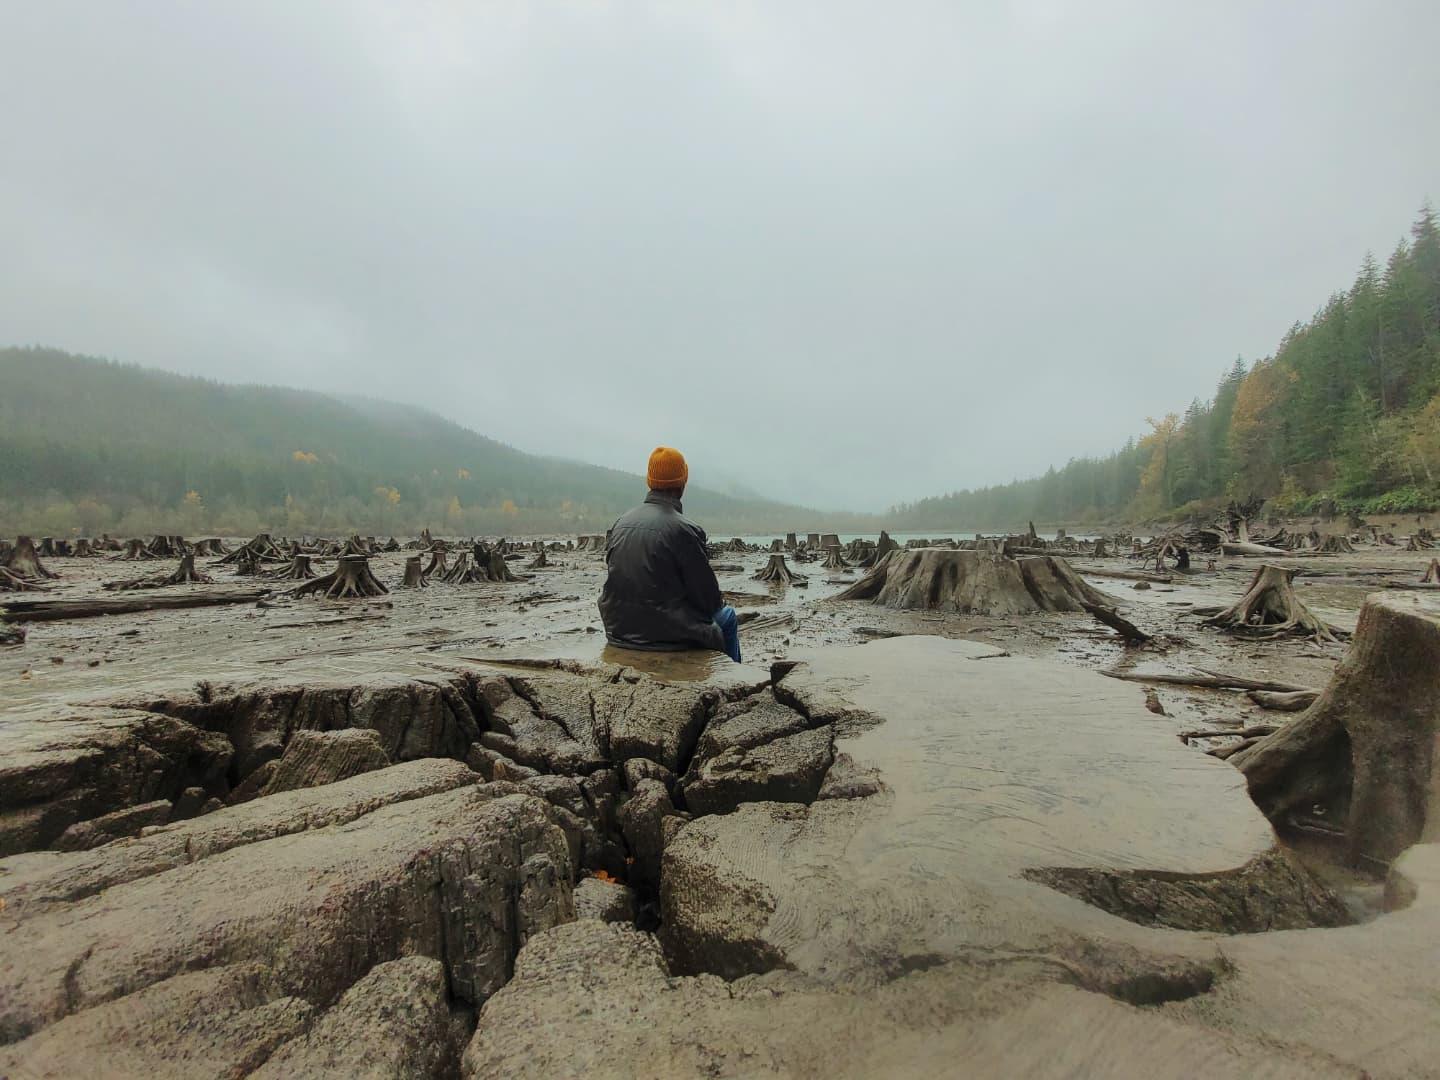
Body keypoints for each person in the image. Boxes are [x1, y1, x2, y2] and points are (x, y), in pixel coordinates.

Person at [598, 446, 741, 662]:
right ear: (682, 482)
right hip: (666, 635)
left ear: (649, 481)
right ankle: (734, 681)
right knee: (727, 617)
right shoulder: (684, 529)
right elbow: (708, 601)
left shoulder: (621, 523)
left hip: (617, 629)